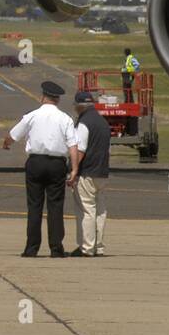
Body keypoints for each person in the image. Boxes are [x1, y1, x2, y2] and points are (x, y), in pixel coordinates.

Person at [2, 81, 79, 258]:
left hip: (36, 163)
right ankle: (56, 248)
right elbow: (73, 145)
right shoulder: (65, 119)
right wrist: (74, 169)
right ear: (57, 100)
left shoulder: (32, 116)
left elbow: (13, 135)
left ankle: (31, 248)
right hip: (56, 165)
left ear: (43, 96)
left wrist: (6, 144)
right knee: (55, 206)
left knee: (34, 206)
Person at [69, 90, 110, 257]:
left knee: (86, 210)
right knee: (100, 211)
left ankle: (87, 247)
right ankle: (98, 246)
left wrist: (73, 170)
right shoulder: (102, 122)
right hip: (102, 172)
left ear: (79, 106)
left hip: (88, 172)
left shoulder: (85, 122)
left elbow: (80, 149)